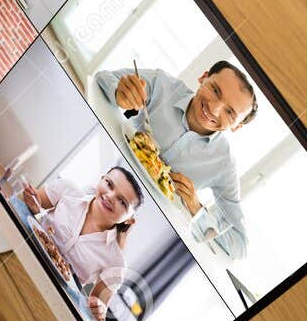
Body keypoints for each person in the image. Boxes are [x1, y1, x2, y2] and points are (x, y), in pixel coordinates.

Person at [94, 61, 257, 260]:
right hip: (103, 175)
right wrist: (119, 92)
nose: (214, 109)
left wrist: (196, 208)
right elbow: (104, 78)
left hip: (144, 227)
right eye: (215, 90)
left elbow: (240, 246)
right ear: (203, 77)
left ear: (237, 127)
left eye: (230, 112)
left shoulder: (224, 166)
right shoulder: (162, 84)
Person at [21, 166, 142, 321]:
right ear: (101, 179)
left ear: (129, 220)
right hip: (25, 250)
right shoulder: (67, 189)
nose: (110, 196)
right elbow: (34, 203)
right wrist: (32, 201)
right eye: (109, 184)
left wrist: (99, 309)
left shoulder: (117, 264)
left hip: (52, 297)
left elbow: (96, 306)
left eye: (122, 202)